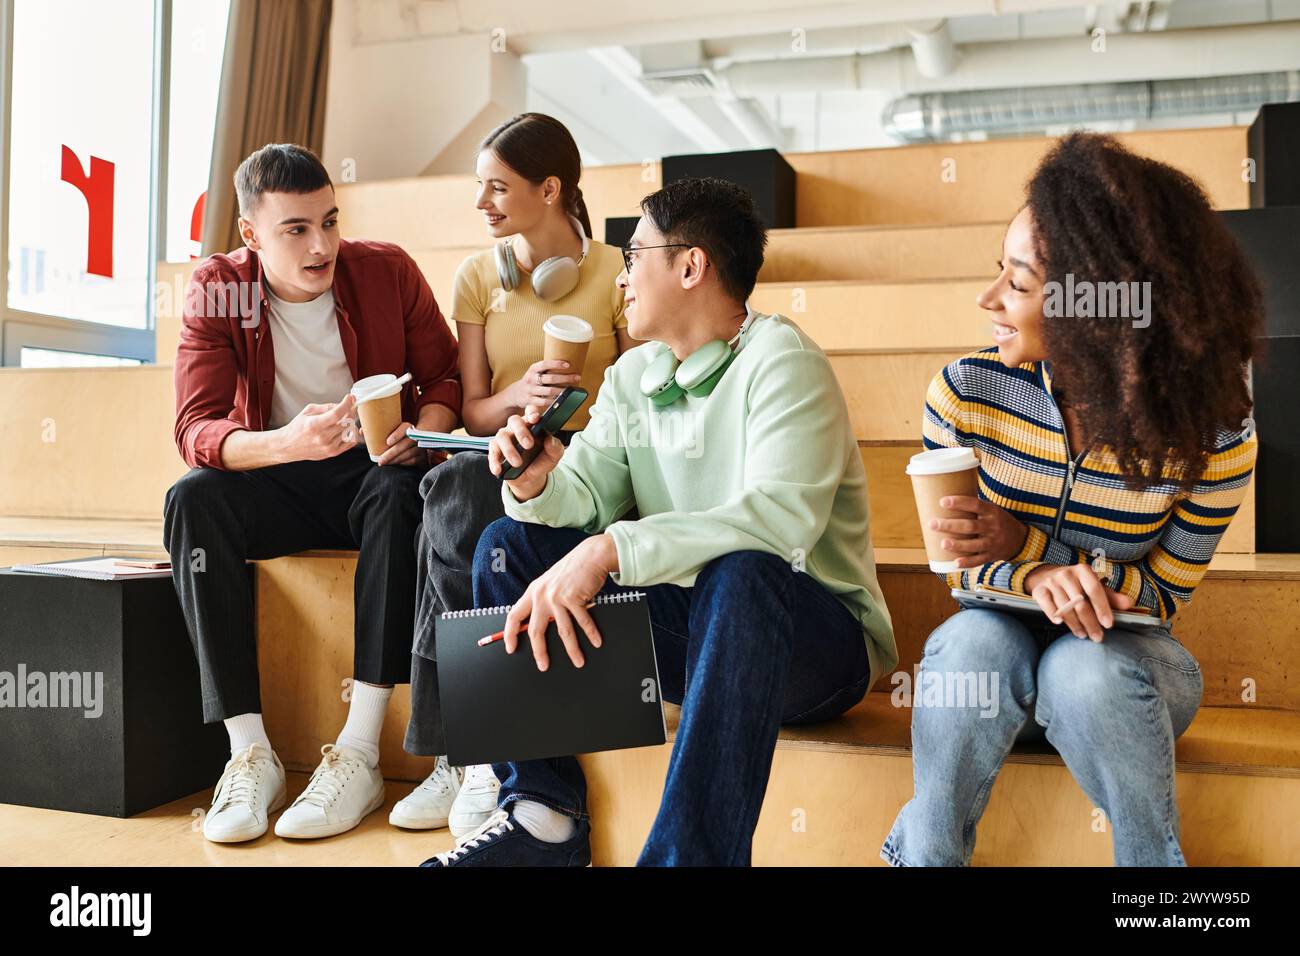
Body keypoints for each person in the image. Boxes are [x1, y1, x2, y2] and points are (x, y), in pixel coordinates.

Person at [421, 176, 897, 867]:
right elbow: (582, 494)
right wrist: (534, 480)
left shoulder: (781, 361)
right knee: (506, 546)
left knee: (744, 573)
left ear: (690, 264)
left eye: (632, 256)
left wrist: (611, 550)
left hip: (814, 645)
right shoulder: (632, 375)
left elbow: (779, 526)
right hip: (702, 630)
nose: (620, 280)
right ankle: (542, 816)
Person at [880, 132, 1262, 867]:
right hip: (993, 659)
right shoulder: (967, 392)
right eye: (1000, 272)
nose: (989, 299)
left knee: (1080, 670)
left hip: (1127, 675)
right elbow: (956, 562)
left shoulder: (1211, 433)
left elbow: (1160, 595)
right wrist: (1027, 577)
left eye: (1018, 285)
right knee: (968, 646)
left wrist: (1031, 550)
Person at [163, 143, 461, 844]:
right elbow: (196, 429)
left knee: (400, 493)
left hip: (372, 472)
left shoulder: (385, 270)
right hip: (274, 472)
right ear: (250, 235)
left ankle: (358, 750)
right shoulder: (218, 288)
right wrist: (287, 444)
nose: (322, 243)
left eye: (329, 220)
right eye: (296, 229)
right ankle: (250, 753)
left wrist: (422, 433)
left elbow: (444, 378)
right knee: (191, 500)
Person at [393, 114, 632, 839]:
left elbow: (639, 387)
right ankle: (472, 749)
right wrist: (520, 397)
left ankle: (470, 748)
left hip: (587, 453)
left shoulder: (617, 271)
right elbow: (470, 410)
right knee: (448, 491)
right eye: (479, 187)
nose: (482, 203)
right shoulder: (477, 277)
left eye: (497, 186)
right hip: (500, 444)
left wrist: (574, 403)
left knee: (449, 507)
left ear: (550, 189)